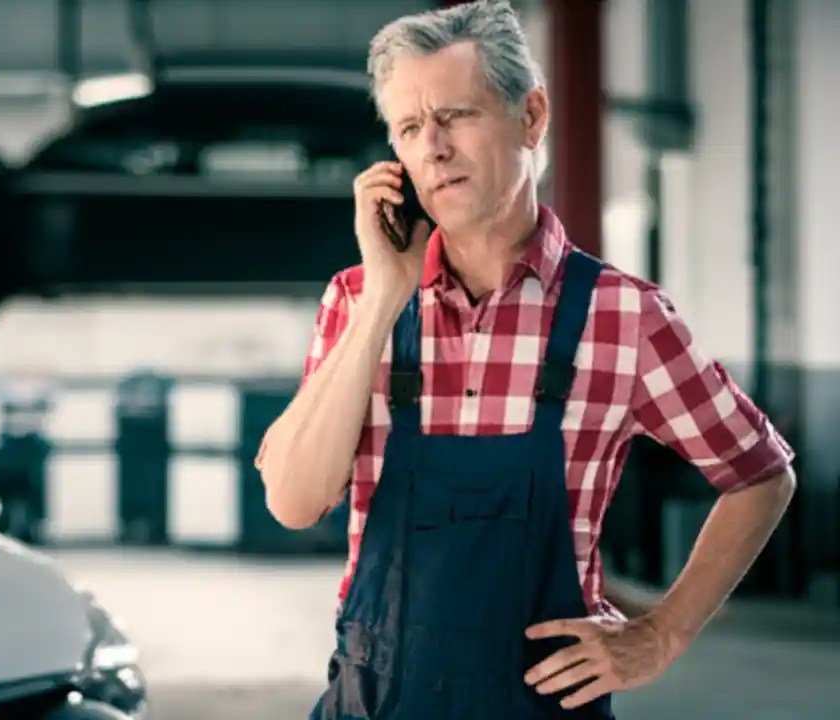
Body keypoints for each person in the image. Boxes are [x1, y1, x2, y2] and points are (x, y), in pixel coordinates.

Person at [254, 1, 797, 718]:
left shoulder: (622, 316)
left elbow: (761, 474)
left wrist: (661, 635)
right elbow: (293, 503)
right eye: (411, 130)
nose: (434, 148)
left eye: (457, 115)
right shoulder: (357, 301)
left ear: (532, 117)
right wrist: (384, 300)